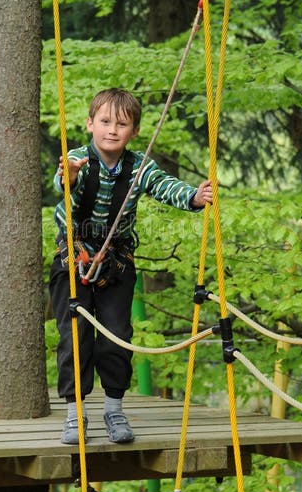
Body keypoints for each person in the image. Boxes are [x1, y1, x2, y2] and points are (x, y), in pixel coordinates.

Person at [49, 88, 213, 445]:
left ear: (134, 131)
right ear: (90, 123)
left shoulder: (140, 167)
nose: (112, 130)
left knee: (116, 335)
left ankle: (113, 408)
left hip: (116, 265)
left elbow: (164, 185)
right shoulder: (76, 159)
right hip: (73, 261)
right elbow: (64, 184)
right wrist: (71, 176)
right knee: (75, 337)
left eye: (121, 124)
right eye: (105, 122)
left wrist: (194, 198)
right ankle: (75, 415)